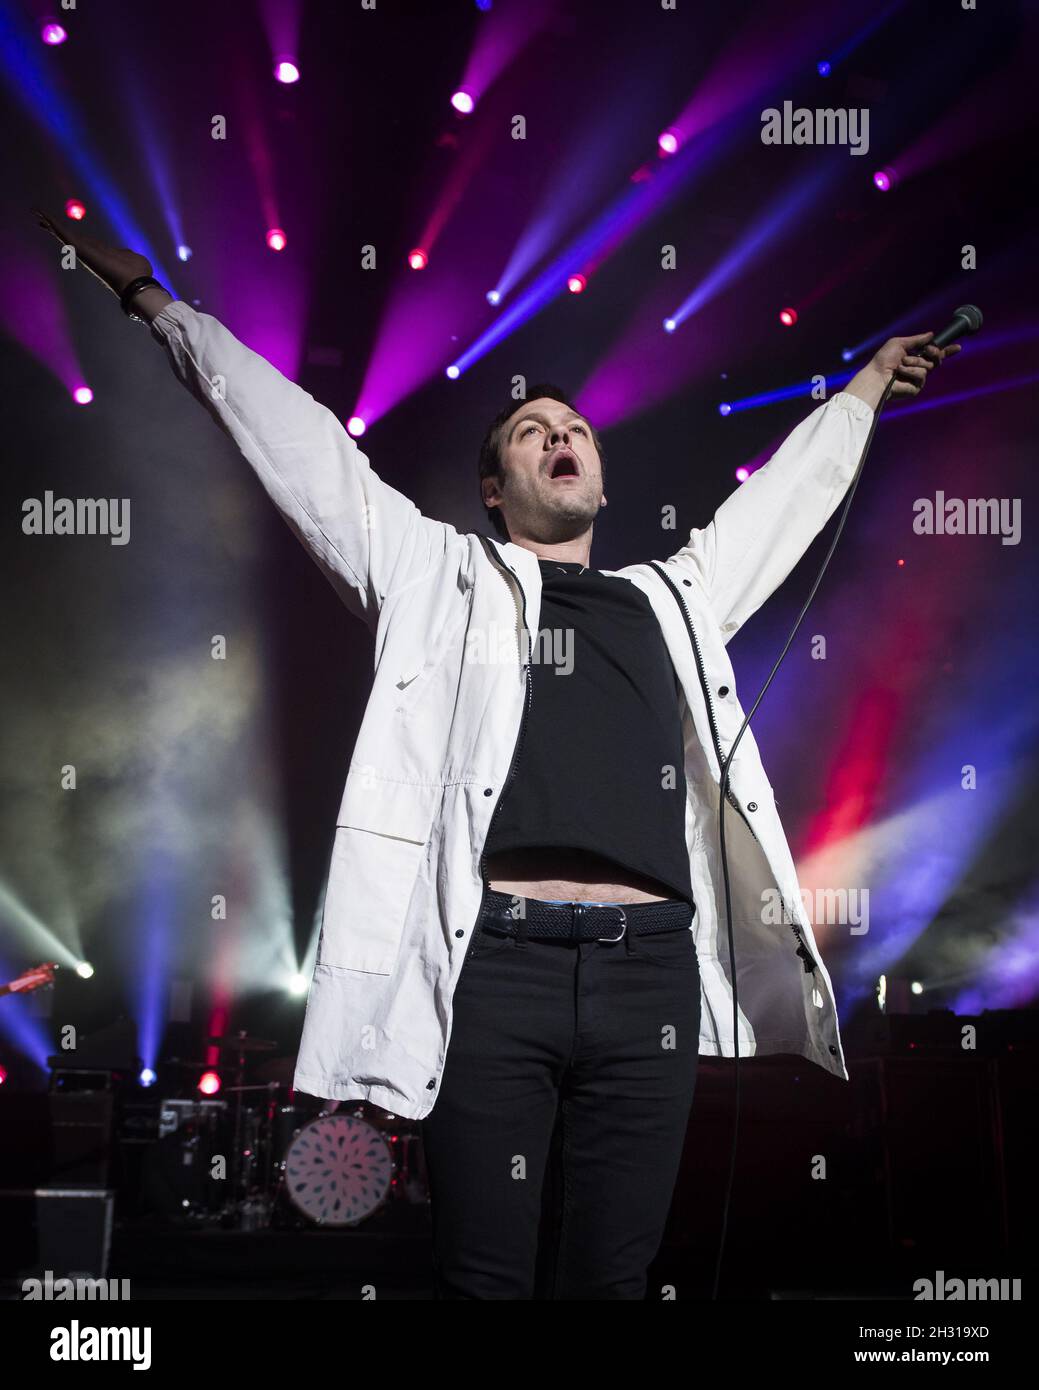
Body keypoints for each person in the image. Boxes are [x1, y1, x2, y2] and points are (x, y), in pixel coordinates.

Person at [32, 208, 957, 1298]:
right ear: (493, 485)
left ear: (600, 482)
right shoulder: (434, 576)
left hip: (649, 969)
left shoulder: (675, 597)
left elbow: (782, 504)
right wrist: (159, 308)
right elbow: (301, 445)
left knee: (612, 1279)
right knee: (484, 1279)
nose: (560, 434)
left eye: (575, 428)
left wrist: (860, 393)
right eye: (532, 431)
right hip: (495, 970)